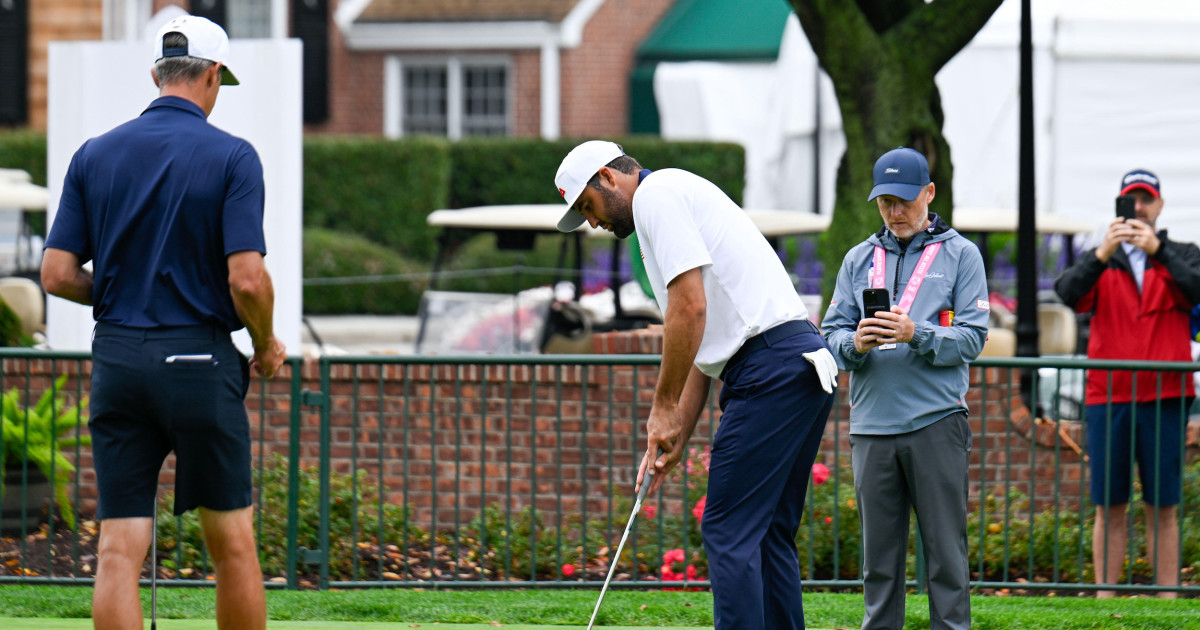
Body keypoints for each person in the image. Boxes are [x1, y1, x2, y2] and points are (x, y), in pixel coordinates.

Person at [40, 15, 286, 630]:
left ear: (155, 74)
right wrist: (267, 344)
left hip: (118, 360)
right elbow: (248, 279)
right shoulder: (233, 156)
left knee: (117, 550)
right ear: (211, 77)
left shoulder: (93, 155)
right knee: (232, 548)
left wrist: (125, 295)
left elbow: (56, 273)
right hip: (198, 363)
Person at [554, 141, 839, 630]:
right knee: (767, 532)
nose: (593, 222)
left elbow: (688, 308)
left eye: (588, 206)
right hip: (798, 366)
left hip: (770, 369)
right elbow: (705, 354)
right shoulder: (670, 195)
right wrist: (676, 432)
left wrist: (663, 407)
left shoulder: (656, 196)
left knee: (728, 528)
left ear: (608, 177)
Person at [821, 147, 989, 630]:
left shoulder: (961, 255)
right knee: (879, 567)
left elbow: (973, 338)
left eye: (905, 200)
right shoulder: (857, 260)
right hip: (871, 427)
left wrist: (917, 334)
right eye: (885, 202)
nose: (895, 212)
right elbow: (829, 336)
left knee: (946, 561)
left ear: (929, 193)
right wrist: (853, 342)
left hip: (936, 422)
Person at [1054, 169, 1200, 598]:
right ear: (1119, 204)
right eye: (1130, 201)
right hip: (1108, 395)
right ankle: (1104, 597)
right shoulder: (1102, 259)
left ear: (1159, 206)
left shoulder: (1184, 253)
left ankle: (1168, 597)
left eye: (1145, 201)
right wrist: (1103, 251)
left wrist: (1159, 251)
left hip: (1166, 395)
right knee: (1108, 504)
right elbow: (1066, 292)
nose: (1137, 209)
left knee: (1164, 504)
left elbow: (1197, 290)